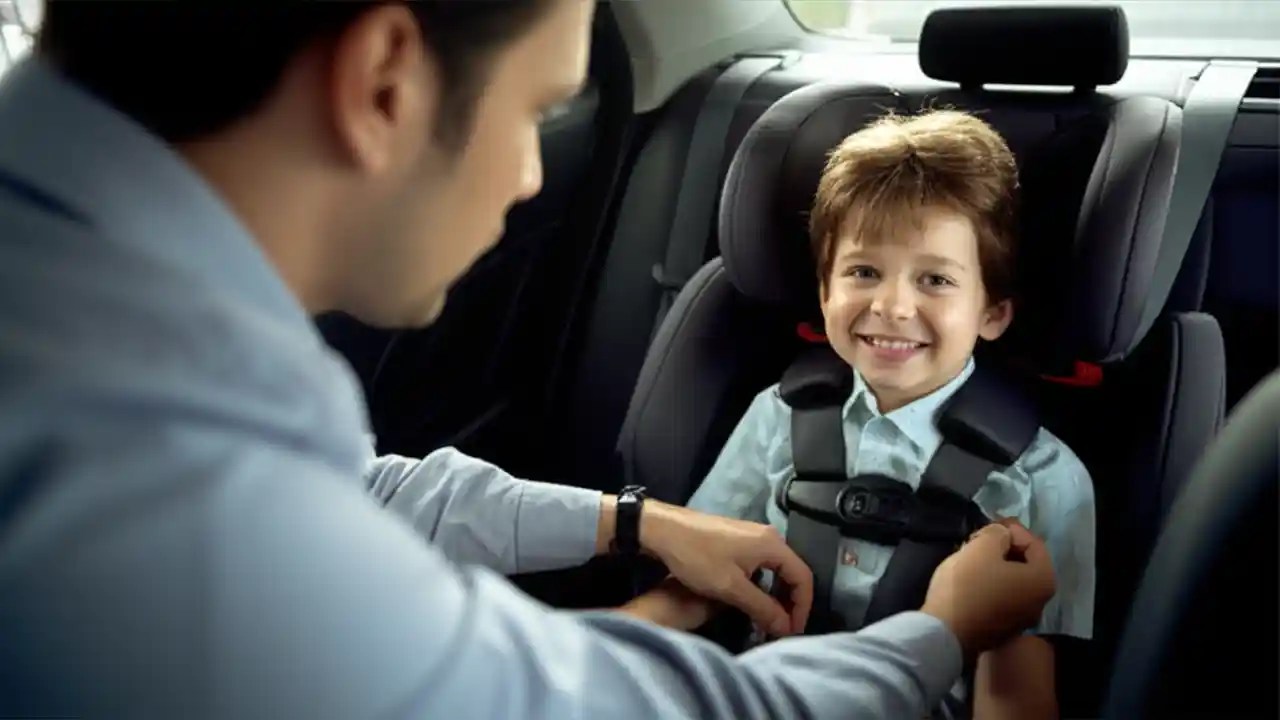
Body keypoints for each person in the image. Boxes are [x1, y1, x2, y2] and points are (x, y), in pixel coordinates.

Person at [0, 2, 1055, 717]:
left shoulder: (86, 316)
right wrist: (942, 634)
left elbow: (354, 488)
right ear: (383, 83)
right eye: (538, 111)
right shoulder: (168, 497)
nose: (522, 175)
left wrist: (635, 523)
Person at [687, 109, 1097, 719]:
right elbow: (699, 576)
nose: (893, 305)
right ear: (825, 290)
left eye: (934, 279)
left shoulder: (1040, 478)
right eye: (863, 272)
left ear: (992, 314)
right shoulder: (777, 417)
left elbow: (1015, 691)